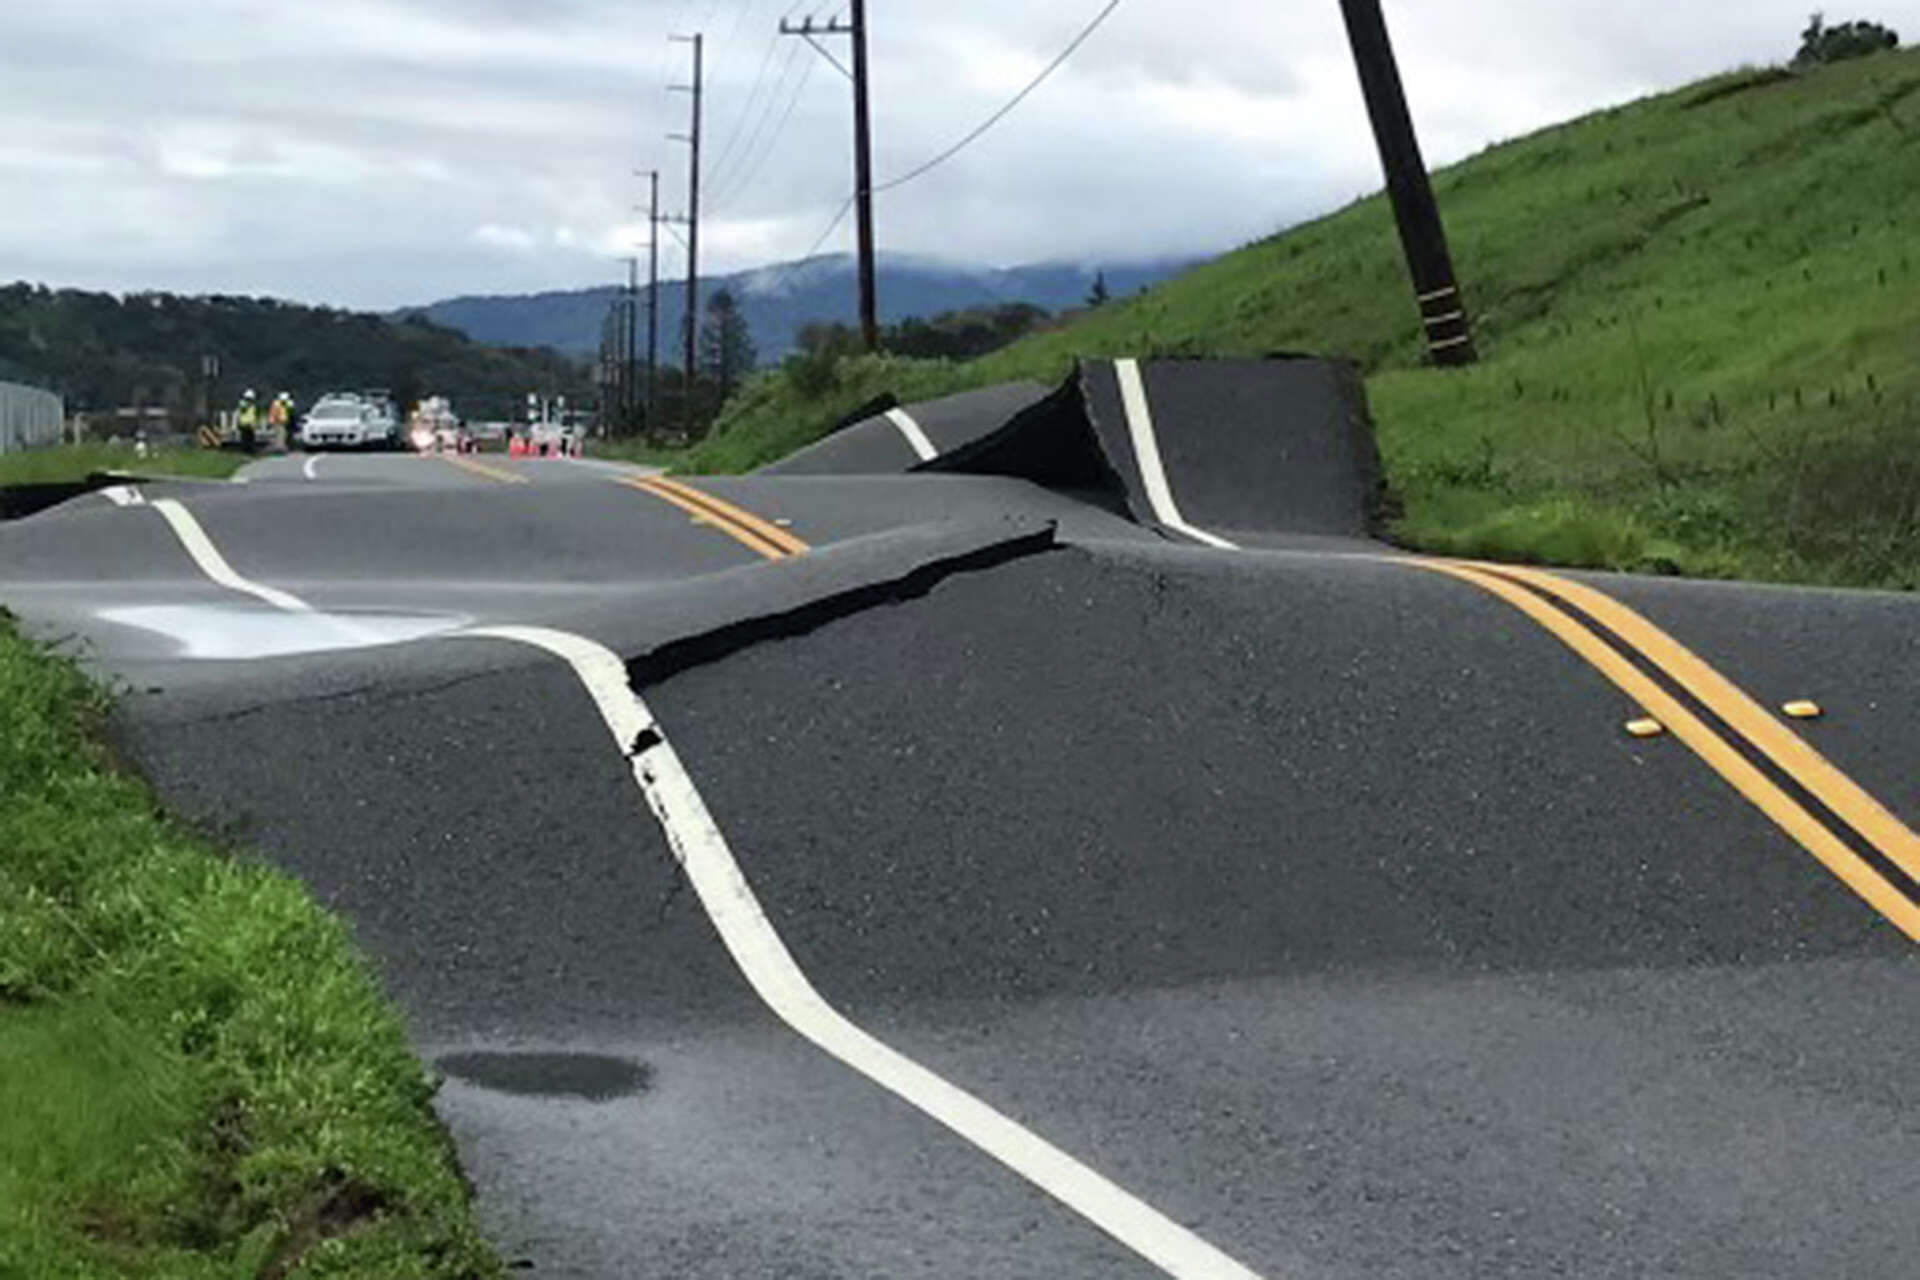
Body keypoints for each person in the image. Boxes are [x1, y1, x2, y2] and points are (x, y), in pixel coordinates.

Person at [236, 389, 260, 454]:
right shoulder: (243, 405)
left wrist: (255, 423)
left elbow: (253, 415)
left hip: (250, 424)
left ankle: (250, 450)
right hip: (245, 424)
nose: (252, 400)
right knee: (246, 438)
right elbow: (242, 413)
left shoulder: (252, 406)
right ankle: (246, 450)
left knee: (250, 438)